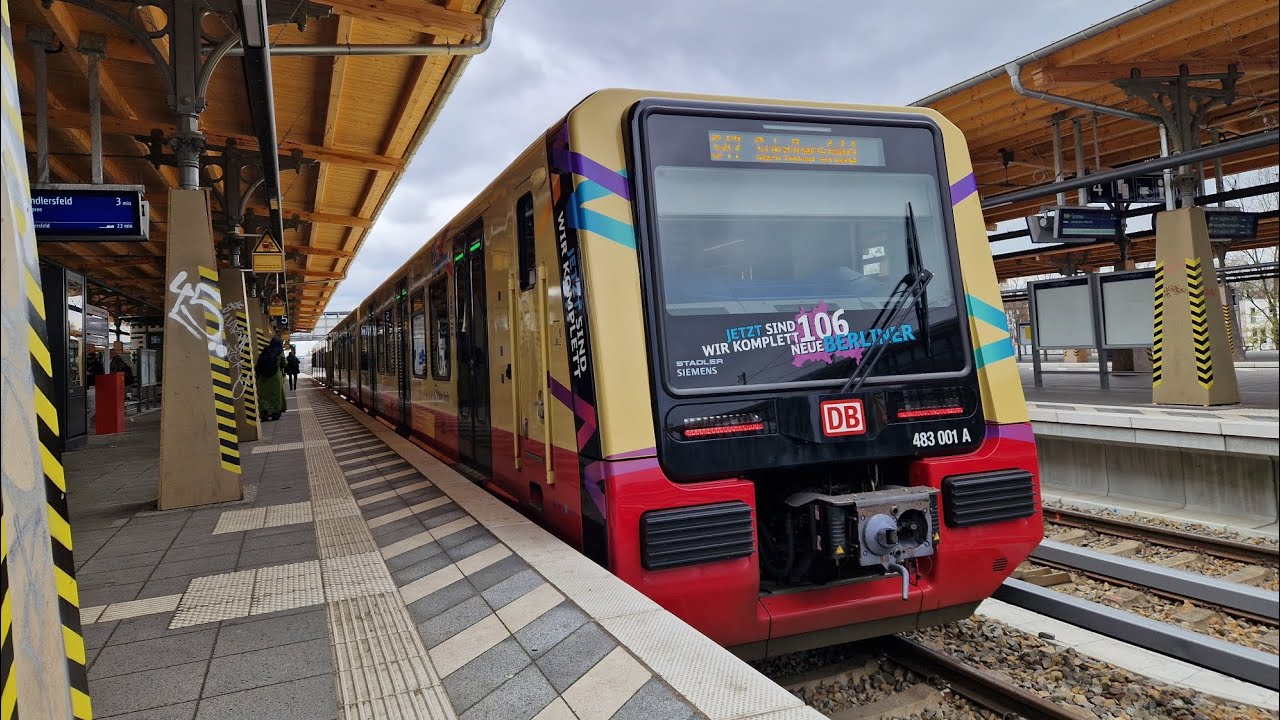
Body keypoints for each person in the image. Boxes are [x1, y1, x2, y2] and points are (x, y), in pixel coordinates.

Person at [256, 337, 288, 420]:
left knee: (264, 396)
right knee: (276, 395)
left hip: (262, 377)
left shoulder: (265, 350)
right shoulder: (279, 351)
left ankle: (264, 413)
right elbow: (284, 364)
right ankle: (275, 413)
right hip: (275, 377)